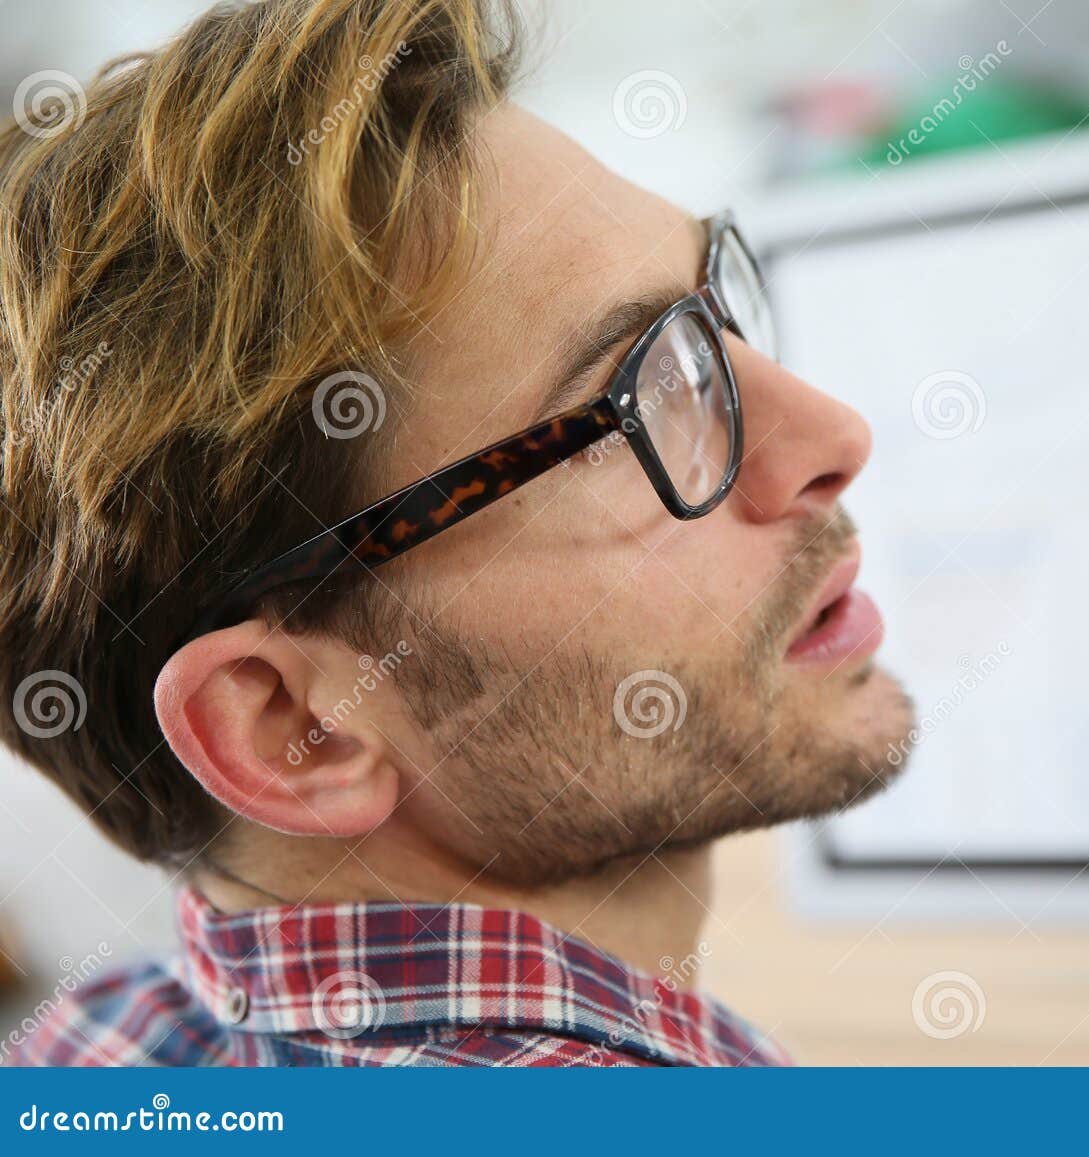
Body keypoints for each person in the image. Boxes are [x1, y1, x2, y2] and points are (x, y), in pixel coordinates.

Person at [0, 0, 913, 1066]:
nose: (830, 434)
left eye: (706, 317)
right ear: (299, 724)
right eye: (628, 403)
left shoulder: (107, 1031)